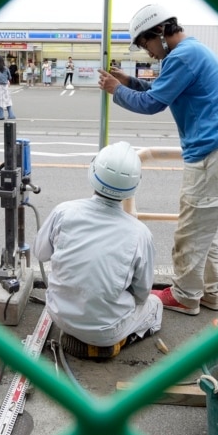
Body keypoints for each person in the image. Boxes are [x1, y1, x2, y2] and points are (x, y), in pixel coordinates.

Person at [97, 3, 218, 316]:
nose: (146, 51)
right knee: (207, 232)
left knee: (191, 233)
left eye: (145, 43)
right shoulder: (190, 53)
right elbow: (160, 90)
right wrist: (127, 81)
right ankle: (208, 293)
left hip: (209, 156)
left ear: (159, 33)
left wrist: (115, 90)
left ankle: (185, 296)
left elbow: (153, 103)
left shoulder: (183, 56)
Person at [33, 141, 161, 359]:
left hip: (58, 314)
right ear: (134, 186)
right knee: (155, 306)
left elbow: (40, 253)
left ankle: (85, 337)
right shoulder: (140, 233)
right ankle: (116, 343)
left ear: (93, 171)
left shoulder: (64, 211)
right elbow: (141, 294)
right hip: (106, 331)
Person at [0, 55, 16, 120]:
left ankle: (1, 116)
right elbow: (10, 77)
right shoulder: (6, 68)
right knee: (7, 100)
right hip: (5, 86)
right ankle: (11, 115)